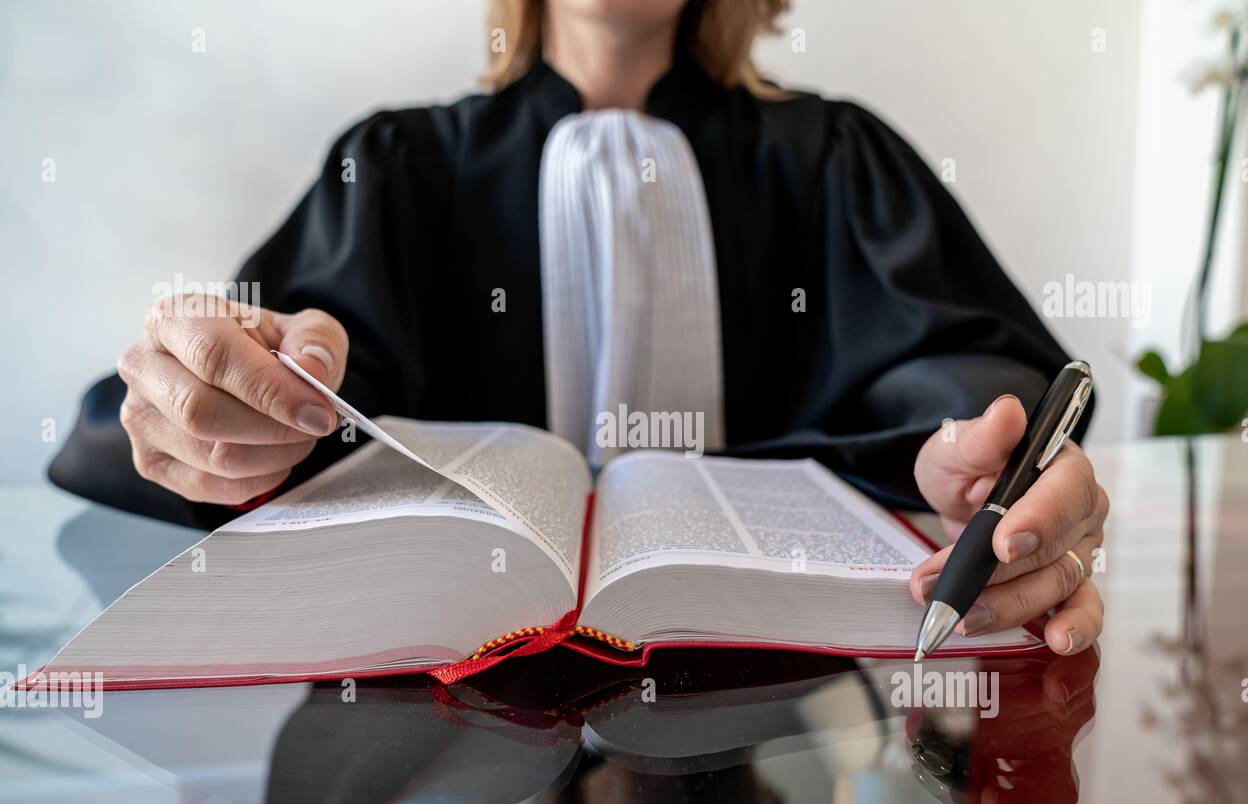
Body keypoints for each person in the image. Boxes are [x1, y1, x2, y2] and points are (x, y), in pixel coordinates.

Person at [48, 0, 1107, 656]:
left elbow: (963, 374)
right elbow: (277, 390)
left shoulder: (832, 157)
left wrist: (973, 467)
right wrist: (220, 411)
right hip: (448, 726)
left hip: (765, 714)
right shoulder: (400, 168)